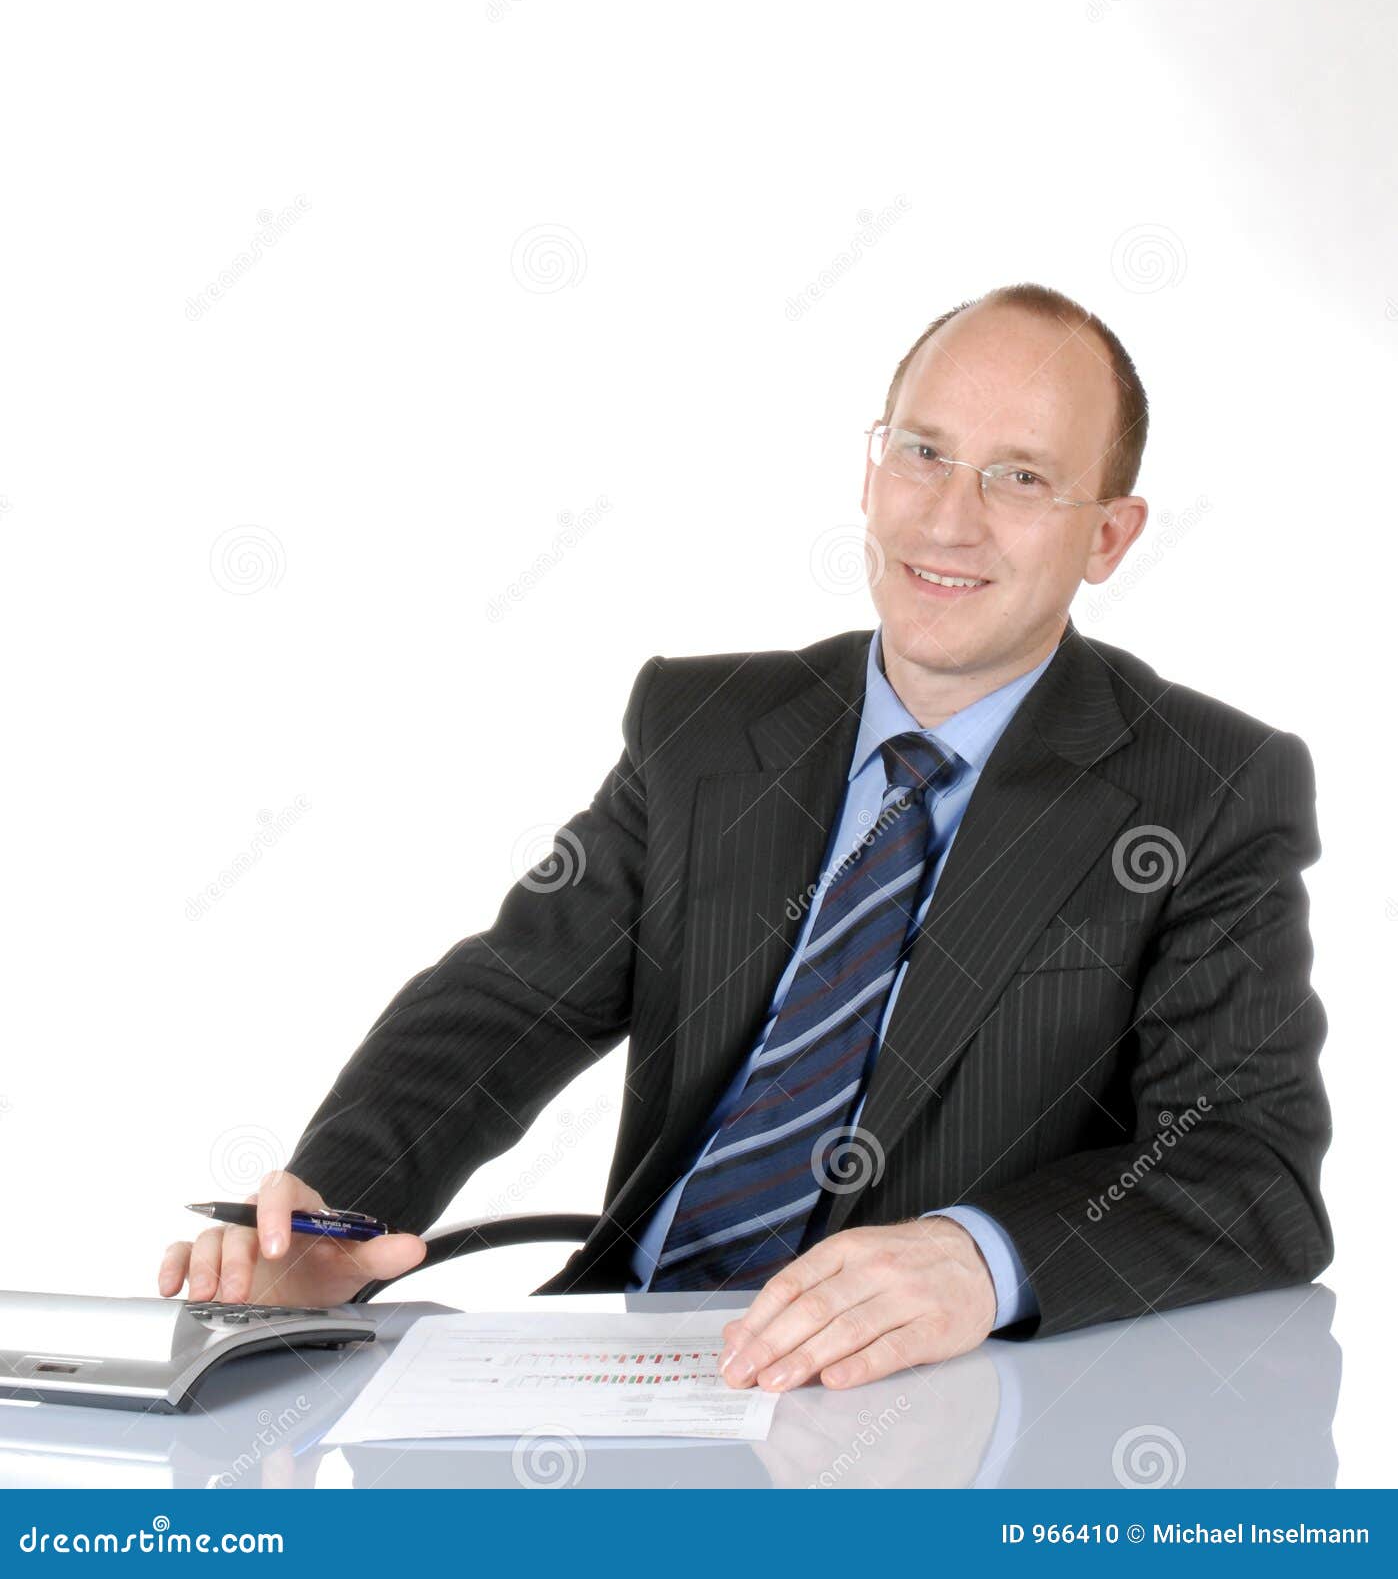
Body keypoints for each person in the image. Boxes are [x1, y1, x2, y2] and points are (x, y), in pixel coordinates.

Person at [157, 283, 1332, 1395]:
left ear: (1110, 536)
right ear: (870, 470)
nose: (948, 517)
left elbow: (1251, 1162)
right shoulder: (704, 729)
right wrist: (328, 1219)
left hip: (922, 1420)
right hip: (619, 1370)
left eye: (1020, 477)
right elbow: (507, 1002)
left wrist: (979, 1259)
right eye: (922, 452)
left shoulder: (1205, 792)